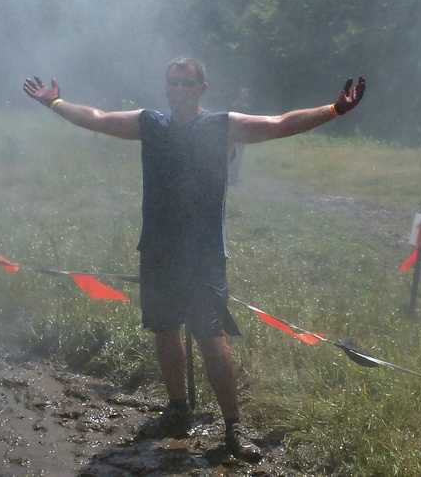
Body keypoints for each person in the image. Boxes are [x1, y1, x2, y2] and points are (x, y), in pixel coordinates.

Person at [23, 58, 366, 460]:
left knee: (212, 339)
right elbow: (98, 118)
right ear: (167, 88)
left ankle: (234, 428)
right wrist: (56, 103)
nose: (180, 89)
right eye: (174, 83)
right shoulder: (150, 123)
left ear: (203, 88)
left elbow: (280, 123)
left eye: (188, 83)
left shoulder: (222, 125)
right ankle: (178, 410)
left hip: (204, 253)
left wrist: (335, 109)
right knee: (166, 331)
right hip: (158, 248)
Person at [227, 87, 252, 186]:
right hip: (234, 135)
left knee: (238, 158)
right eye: (244, 94)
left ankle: (234, 178)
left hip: (242, 136)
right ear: (241, 94)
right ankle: (229, 178)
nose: (245, 95)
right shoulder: (236, 105)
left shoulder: (245, 106)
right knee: (231, 156)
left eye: (246, 94)